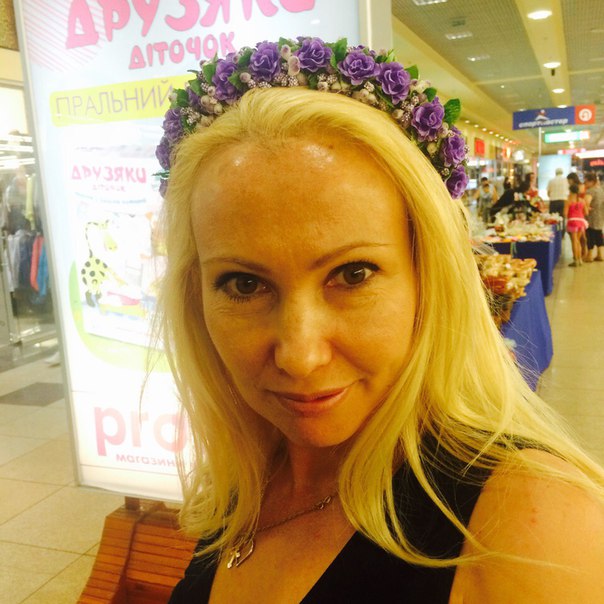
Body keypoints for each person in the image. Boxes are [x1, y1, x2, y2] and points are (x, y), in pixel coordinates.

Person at [156, 37, 604, 603]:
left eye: (352, 274)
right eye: (244, 284)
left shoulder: (528, 531)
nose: (300, 355)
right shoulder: (252, 470)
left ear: (428, 276)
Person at [565, 183, 589, 267]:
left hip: (572, 222)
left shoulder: (568, 201)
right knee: (578, 241)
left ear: (570, 191)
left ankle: (576, 260)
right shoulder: (582, 201)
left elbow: (565, 213)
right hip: (581, 222)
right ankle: (580, 259)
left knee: (574, 241)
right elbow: (586, 212)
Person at [583, 172, 604, 262]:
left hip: (591, 216)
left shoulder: (590, 191)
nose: (585, 183)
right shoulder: (600, 190)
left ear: (591, 181)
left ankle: (590, 256)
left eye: (586, 181)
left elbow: (586, 203)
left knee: (590, 235)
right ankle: (601, 254)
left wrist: (586, 208)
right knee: (599, 235)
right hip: (600, 215)